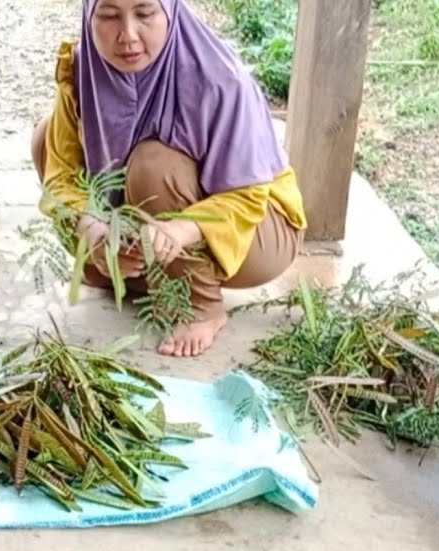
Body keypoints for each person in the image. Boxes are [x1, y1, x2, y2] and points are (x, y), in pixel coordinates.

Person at [31, 0, 307, 358]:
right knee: (46, 137)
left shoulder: (218, 78)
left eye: (145, 13)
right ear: (88, 15)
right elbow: (62, 179)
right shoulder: (85, 69)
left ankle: (201, 305)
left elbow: (247, 196)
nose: (128, 35)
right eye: (109, 15)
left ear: (170, 10)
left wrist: (182, 230)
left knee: (153, 167)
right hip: (157, 229)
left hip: (257, 231)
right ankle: (135, 267)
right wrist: (95, 232)